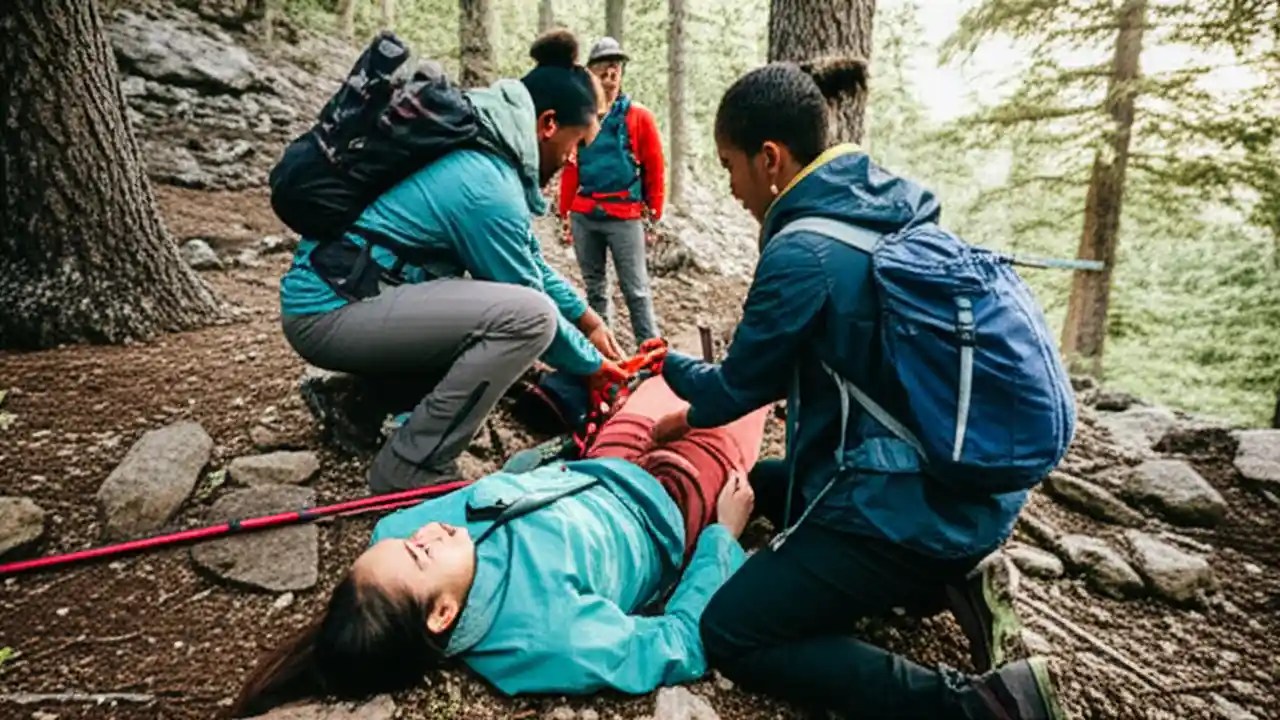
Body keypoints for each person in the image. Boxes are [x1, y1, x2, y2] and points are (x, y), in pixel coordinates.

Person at [652, 60, 1066, 719]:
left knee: (732, 630)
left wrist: (666, 370)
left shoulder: (801, 253)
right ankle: (950, 577)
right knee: (765, 481)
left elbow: (737, 388)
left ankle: (984, 705)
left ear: (770, 158)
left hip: (902, 510)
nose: (730, 187)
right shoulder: (883, 209)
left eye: (728, 165)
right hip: (963, 491)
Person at [229, 376, 769, 717]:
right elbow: (678, 642)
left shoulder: (397, 541)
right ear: (442, 614)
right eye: (420, 553)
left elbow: (456, 510)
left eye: (401, 541)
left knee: (672, 375)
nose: (421, 532)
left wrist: (538, 464)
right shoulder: (546, 637)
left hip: (604, 461)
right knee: (747, 386)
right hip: (671, 508)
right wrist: (722, 535)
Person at [278, 31, 628, 494]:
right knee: (527, 320)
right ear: (547, 123)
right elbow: (526, 290)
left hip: (353, 294)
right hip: (329, 311)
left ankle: (372, 407)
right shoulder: (487, 185)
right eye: (575, 143)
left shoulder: (486, 157)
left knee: (512, 312)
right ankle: (411, 463)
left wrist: (588, 320)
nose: (572, 159)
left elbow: (530, 262)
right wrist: (591, 366)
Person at [558, 36, 665, 344]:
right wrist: (565, 212)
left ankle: (650, 356)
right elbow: (571, 167)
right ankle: (606, 355)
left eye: (614, 69)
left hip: (625, 214)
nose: (609, 76)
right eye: (602, 69)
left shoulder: (637, 116)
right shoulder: (581, 116)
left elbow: (654, 167)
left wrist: (653, 215)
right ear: (590, 73)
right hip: (584, 214)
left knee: (636, 290)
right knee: (594, 288)